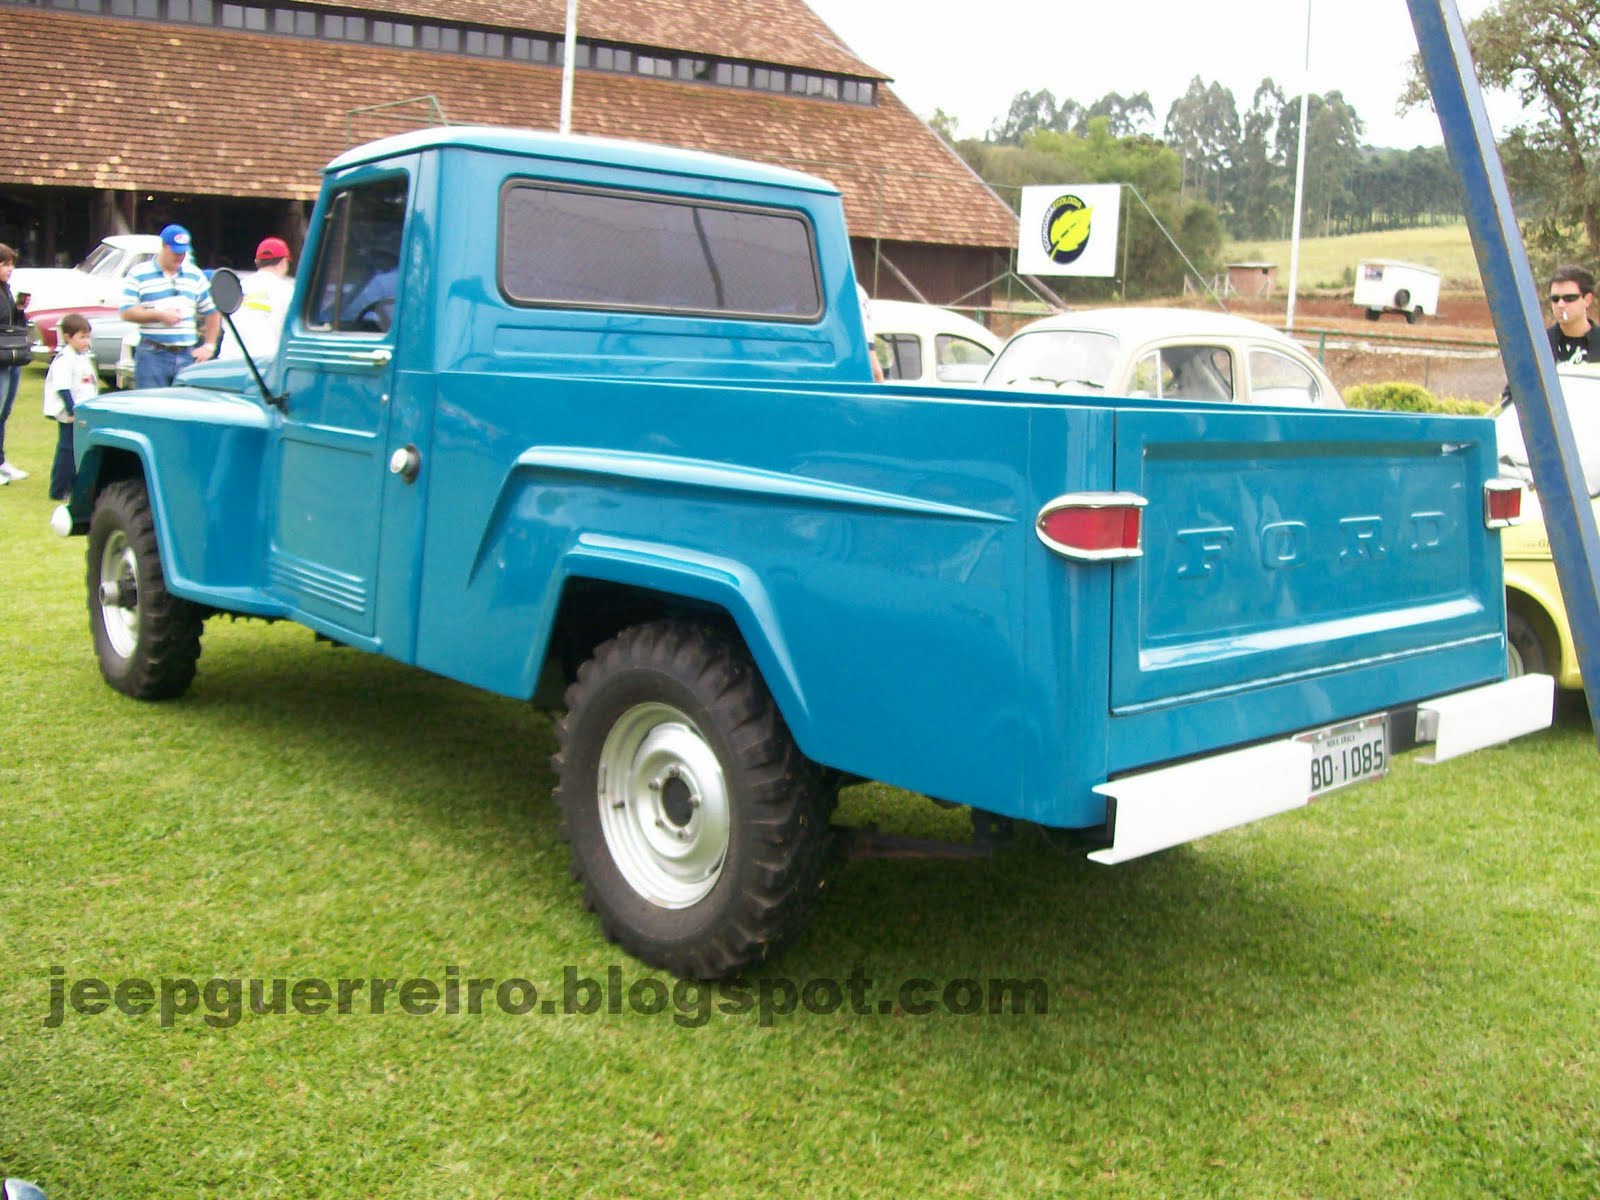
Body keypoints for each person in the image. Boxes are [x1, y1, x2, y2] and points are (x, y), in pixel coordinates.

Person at [119, 223, 220, 389]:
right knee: (152, 407)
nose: (179, 257)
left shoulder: (194, 275)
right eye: (175, 252)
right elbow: (126, 312)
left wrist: (209, 345)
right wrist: (158, 315)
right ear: (164, 247)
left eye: (183, 252)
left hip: (187, 353)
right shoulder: (139, 274)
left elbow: (212, 311)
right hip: (153, 353)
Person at [43, 311, 96, 500]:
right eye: (81, 337)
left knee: (78, 449)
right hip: (70, 413)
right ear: (67, 337)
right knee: (67, 450)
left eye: (87, 336)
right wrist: (72, 410)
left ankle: (73, 485)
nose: (86, 341)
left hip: (82, 411)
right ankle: (58, 489)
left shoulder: (82, 357)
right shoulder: (64, 359)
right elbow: (63, 387)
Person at [219, 235, 294, 362]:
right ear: (283, 262)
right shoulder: (288, 291)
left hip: (228, 361)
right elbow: (290, 329)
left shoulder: (238, 287)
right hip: (262, 364)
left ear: (257, 262)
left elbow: (224, 323)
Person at [0, 242, 31, 485]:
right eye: (5, 264)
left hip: (11, 355)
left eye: (11, 264)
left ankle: (1, 461)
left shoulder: (6, 289)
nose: (10, 269)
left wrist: (19, 309)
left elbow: (14, 323)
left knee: (5, 411)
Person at [1545, 264, 1600, 365]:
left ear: (1588, 300)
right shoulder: (1540, 343)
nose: (1560, 305)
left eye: (1569, 298)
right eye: (1555, 299)